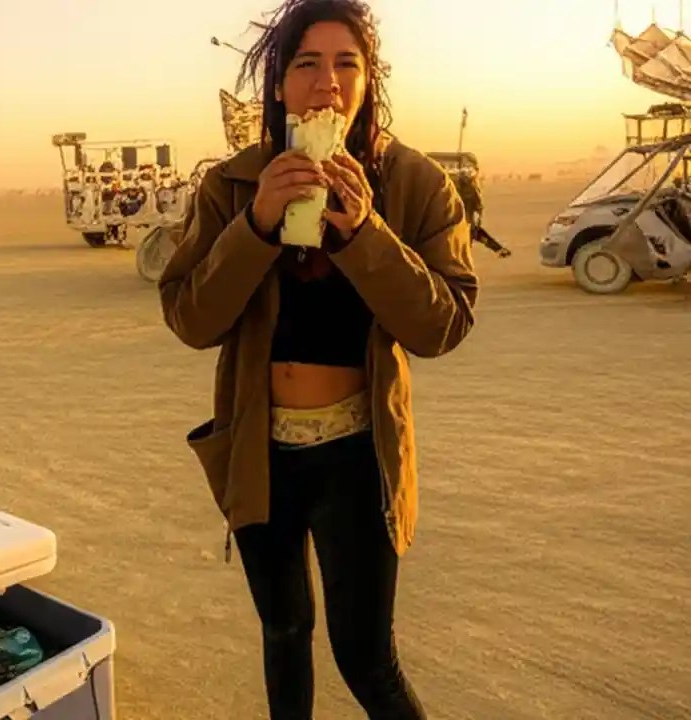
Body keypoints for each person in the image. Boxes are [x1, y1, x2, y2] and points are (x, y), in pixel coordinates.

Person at [158, 1, 479, 718]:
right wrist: (256, 225)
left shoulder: (414, 184)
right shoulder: (232, 184)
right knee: (284, 631)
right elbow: (191, 318)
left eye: (346, 65)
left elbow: (443, 325)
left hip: (358, 456)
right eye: (306, 64)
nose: (326, 83)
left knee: (367, 660)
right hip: (258, 450)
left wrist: (366, 232)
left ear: (369, 82)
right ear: (278, 86)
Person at [454, 167, 512, 258]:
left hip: (467, 221)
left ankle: (499, 249)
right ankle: (499, 249)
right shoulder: (458, 190)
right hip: (462, 221)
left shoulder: (471, 190)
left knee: (476, 237)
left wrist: (477, 218)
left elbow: (478, 206)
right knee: (478, 237)